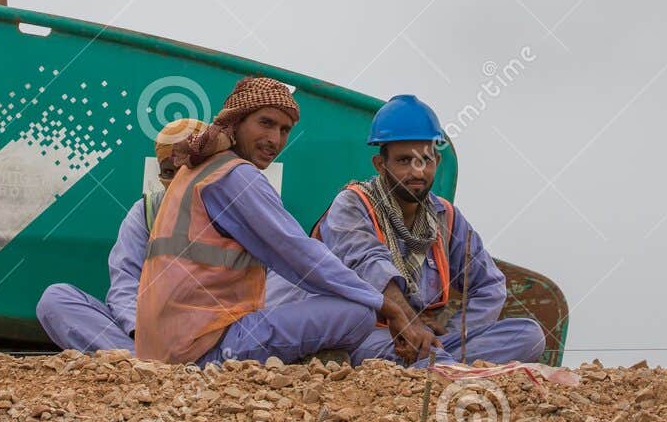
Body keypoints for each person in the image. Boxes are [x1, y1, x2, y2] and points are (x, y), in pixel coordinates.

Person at [135, 76, 437, 366]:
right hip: (201, 349)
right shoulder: (235, 176)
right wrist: (393, 310)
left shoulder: (200, 170)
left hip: (162, 346)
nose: (274, 140)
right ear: (237, 121)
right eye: (265, 123)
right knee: (358, 314)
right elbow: (301, 256)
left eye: (284, 130)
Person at [294, 94, 546, 367]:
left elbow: (490, 285)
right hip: (366, 335)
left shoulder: (446, 217)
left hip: (421, 338)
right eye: (404, 161)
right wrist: (407, 320)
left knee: (528, 335)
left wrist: (449, 331)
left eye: (425, 160)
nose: (417, 172)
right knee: (418, 352)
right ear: (381, 165)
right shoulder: (353, 204)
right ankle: (444, 368)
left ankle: (441, 365)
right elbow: (369, 264)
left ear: (437, 161)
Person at [34, 117, 206, 353]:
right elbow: (124, 283)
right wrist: (141, 332)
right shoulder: (146, 212)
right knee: (55, 300)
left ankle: (149, 362)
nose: (177, 182)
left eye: (187, 171)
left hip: (213, 334)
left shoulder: (235, 208)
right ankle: (145, 362)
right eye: (168, 172)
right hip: (151, 334)